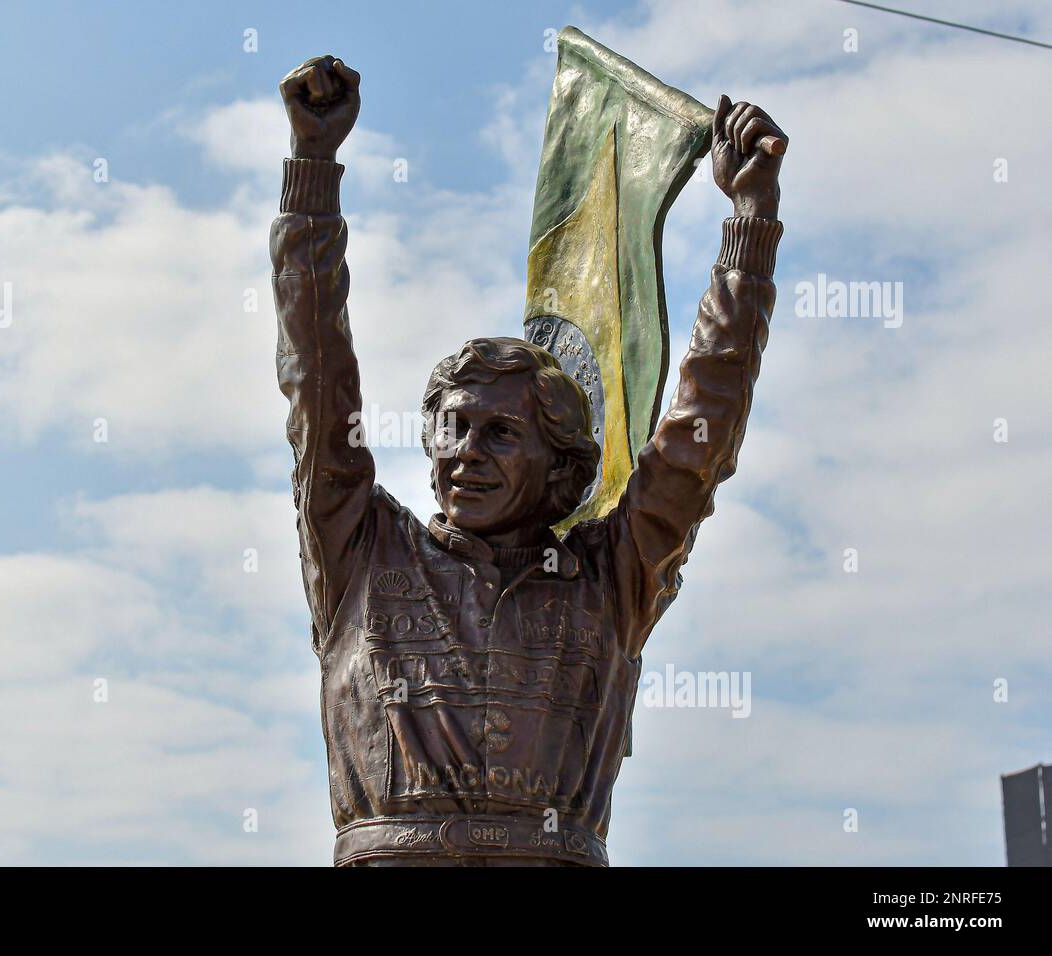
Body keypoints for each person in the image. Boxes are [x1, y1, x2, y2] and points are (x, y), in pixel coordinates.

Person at [271, 55, 786, 866]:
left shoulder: (610, 575)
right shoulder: (362, 549)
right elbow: (318, 379)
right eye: (452, 429)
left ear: (559, 465)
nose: (464, 454)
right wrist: (312, 169)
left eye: (500, 434)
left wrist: (749, 233)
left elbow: (700, 431)